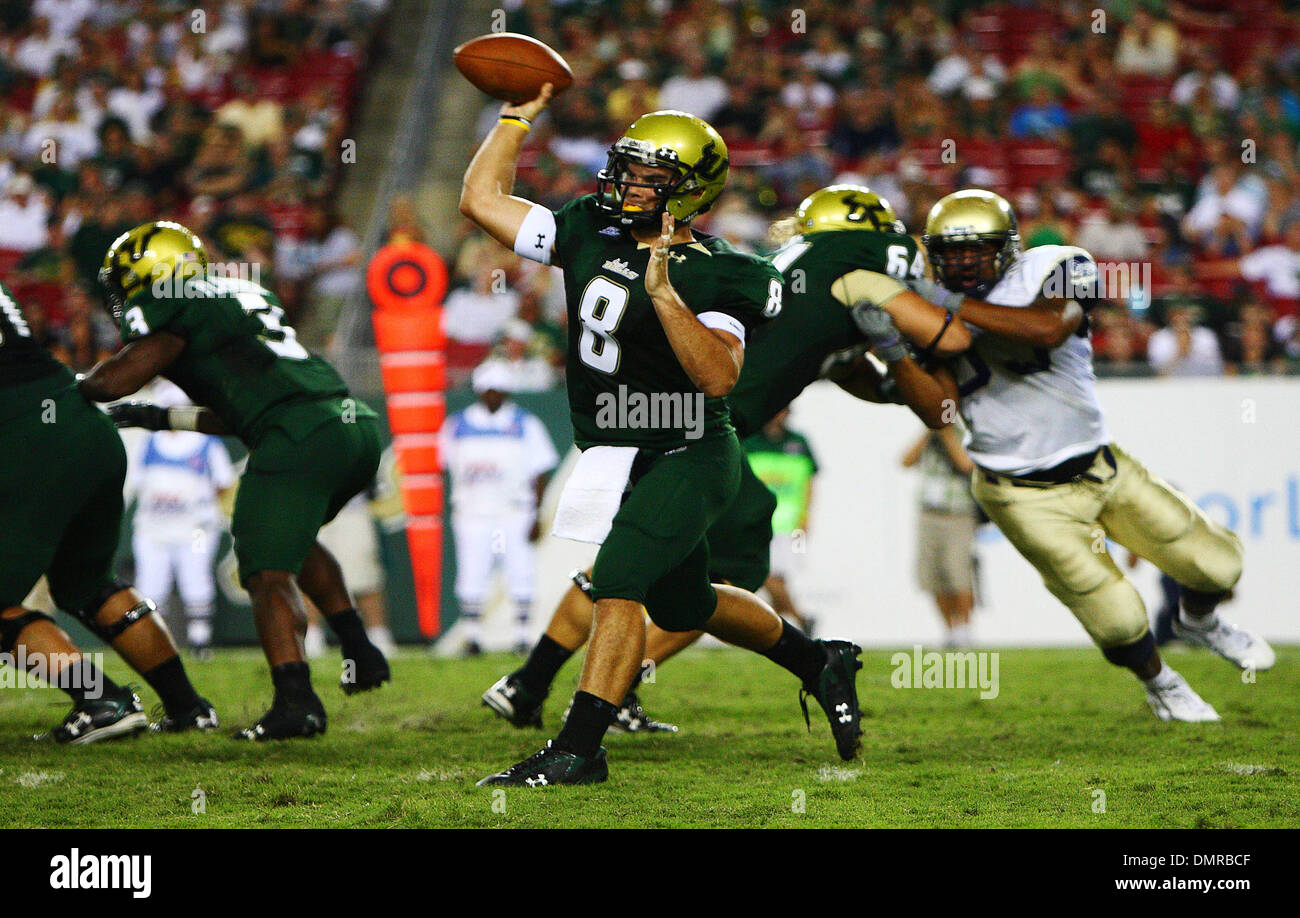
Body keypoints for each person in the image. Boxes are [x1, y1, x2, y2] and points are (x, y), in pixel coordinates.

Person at [460, 90, 871, 785]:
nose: (627, 185)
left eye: (650, 177)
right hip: (622, 456)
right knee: (690, 604)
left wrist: (665, 294)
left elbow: (718, 378)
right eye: (627, 168)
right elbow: (481, 199)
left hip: (690, 449)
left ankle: (579, 748)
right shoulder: (591, 225)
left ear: (690, 193)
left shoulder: (722, 269)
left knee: (617, 579)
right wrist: (514, 118)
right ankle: (819, 660)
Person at [481, 184, 968, 738]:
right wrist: (952, 323)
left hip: (656, 418)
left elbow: (863, 380)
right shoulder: (857, 271)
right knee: (699, 569)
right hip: (702, 436)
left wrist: (886, 355)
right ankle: (608, 691)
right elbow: (945, 342)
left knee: (640, 563)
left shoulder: (804, 285)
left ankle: (531, 682)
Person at [867, 189, 1274, 722]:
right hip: (1016, 490)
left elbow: (1047, 326)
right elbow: (941, 411)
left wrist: (940, 305)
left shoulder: (1053, 265)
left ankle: (1199, 621)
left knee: (1218, 565)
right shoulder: (923, 306)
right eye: (952, 252)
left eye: (977, 249)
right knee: (1116, 616)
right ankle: (1162, 683)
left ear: (1007, 248)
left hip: (1098, 464)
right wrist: (897, 351)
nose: (964, 263)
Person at [79, 221, 390, 740]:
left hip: (299, 433)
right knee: (291, 540)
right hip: (349, 426)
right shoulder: (238, 289)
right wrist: (160, 418)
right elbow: (244, 411)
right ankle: (359, 646)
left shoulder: (172, 301)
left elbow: (116, 377)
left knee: (265, 572)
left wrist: (72, 386)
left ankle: (297, 702)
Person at [0, 278, 216, 742]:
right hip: (79, 418)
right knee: (86, 582)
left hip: (26, 434)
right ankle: (187, 707)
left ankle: (101, 700)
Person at [440, 360, 559, 655]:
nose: (494, 396)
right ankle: (473, 635)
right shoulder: (457, 425)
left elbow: (540, 470)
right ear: (479, 391)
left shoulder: (525, 424)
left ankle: (522, 635)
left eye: (499, 390)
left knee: (520, 571)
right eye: (488, 390)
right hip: (472, 512)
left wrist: (537, 513)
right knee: (472, 571)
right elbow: (443, 465)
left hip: (514, 512)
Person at [128, 381, 237, 658]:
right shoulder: (150, 443)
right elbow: (137, 482)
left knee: (196, 578)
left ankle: (200, 641)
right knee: (150, 584)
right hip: (153, 527)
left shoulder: (206, 443)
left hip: (196, 530)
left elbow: (224, 481)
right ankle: (157, 645)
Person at [901, 424, 980, 649]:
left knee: (957, 571)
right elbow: (905, 461)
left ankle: (964, 629)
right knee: (933, 575)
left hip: (958, 513)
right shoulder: (928, 437)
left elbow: (965, 464)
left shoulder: (962, 435)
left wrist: (947, 435)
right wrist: (928, 431)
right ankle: (949, 630)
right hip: (928, 513)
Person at [743, 409, 818, 634]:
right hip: (759, 523)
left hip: (791, 527)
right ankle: (800, 619)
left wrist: (805, 518)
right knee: (767, 575)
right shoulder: (750, 442)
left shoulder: (799, 442)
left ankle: (775, 629)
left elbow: (809, 483)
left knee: (778, 578)